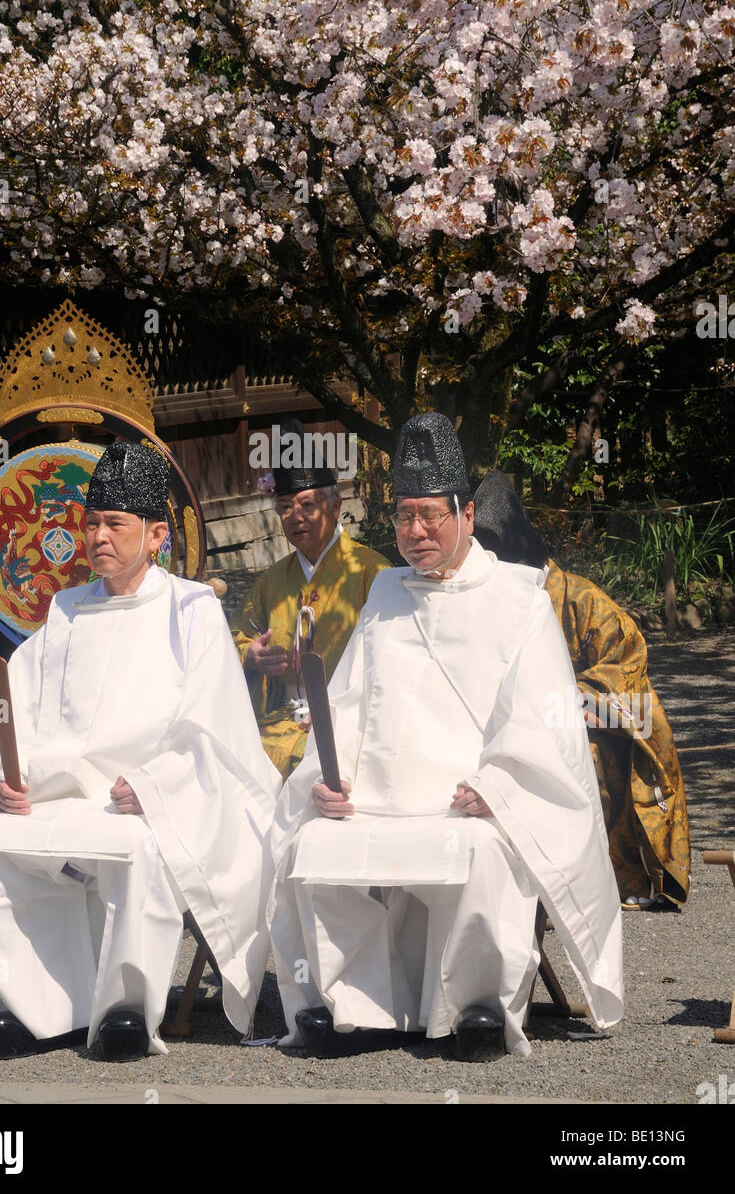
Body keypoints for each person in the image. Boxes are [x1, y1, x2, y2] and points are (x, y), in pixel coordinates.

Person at [268, 413, 623, 1060]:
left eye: (430, 515)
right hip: (379, 797)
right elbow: (348, 701)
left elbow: (543, 718)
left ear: (464, 515)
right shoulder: (383, 594)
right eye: (404, 517)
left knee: (486, 847)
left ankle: (478, 1008)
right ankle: (357, 1008)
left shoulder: (519, 599)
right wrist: (330, 776)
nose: (415, 531)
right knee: (312, 842)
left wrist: (497, 788)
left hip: (471, 797)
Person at [0, 439, 280, 1061]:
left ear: (156, 535)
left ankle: (125, 1010)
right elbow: (15, 706)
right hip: (64, 791)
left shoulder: (192, 609)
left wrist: (155, 784)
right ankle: (23, 1009)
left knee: (136, 844)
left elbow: (211, 725)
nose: (99, 537)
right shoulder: (66, 610)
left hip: (144, 794)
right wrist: (8, 775)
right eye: (93, 523)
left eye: (116, 524)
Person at [473, 470, 690, 910]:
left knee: (577, 752)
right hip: (521, 719)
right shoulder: (491, 603)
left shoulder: (584, 601)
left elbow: (628, 667)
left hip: (601, 723)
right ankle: (517, 887)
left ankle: (615, 877)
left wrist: (565, 702)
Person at [232, 418, 391, 779]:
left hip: (349, 727)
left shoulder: (371, 572)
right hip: (277, 727)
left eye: (307, 504)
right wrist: (250, 655)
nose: (296, 516)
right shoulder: (271, 582)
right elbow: (236, 638)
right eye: (285, 507)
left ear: (335, 508)